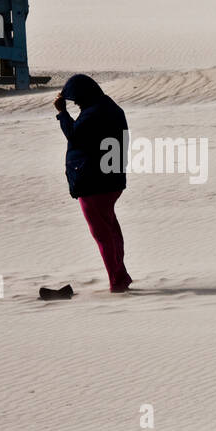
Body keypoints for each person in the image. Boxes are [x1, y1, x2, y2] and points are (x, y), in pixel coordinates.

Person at [54, 74, 133, 292]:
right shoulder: (111, 108)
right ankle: (121, 275)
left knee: (102, 234)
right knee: (111, 230)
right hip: (111, 180)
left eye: (76, 100)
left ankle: (117, 280)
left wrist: (62, 113)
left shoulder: (93, 114)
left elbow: (75, 135)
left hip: (93, 183)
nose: (76, 104)